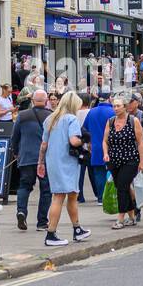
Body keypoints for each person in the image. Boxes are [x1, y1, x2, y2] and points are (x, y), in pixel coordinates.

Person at [38, 91, 92, 247]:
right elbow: (74, 140)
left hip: (53, 161)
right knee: (60, 197)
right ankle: (51, 234)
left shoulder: (50, 119)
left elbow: (44, 145)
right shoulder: (71, 119)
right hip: (67, 162)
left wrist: (40, 163)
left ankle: (77, 229)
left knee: (72, 193)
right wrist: (85, 142)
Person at [10, 89, 51, 231]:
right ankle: (42, 222)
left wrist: (16, 152)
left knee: (24, 186)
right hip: (45, 159)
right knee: (46, 190)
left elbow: (14, 137)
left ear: (33, 101)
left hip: (26, 157)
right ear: (46, 101)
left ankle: (21, 211)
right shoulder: (51, 116)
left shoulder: (22, 115)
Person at [103, 94, 143, 229]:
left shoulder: (133, 121)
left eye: (118, 106)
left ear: (125, 107)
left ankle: (120, 218)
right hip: (114, 160)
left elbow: (140, 143)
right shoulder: (110, 121)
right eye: (114, 106)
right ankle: (132, 217)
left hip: (130, 160)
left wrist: (142, 161)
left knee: (122, 187)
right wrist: (105, 154)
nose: (115, 108)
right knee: (123, 187)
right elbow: (105, 141)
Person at [83, 91, 115, 202]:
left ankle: (101, 198)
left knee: (98, 172)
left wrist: (89, 142)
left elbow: (84, 128)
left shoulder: (92, 112)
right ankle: (111, 196)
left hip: (95, 147)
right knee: (112, 171)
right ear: (109, 98)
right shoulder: (113, 112)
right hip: (112, 147)